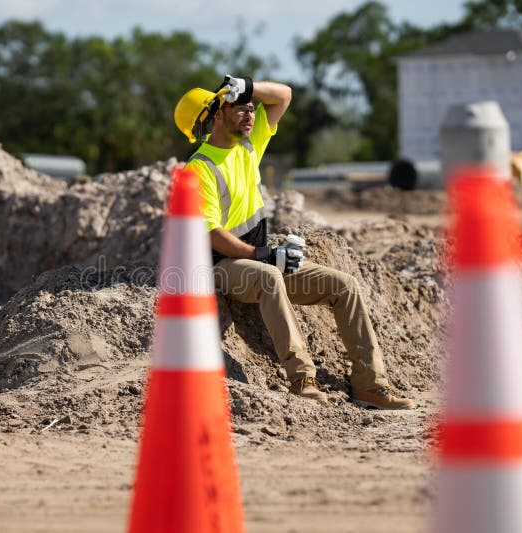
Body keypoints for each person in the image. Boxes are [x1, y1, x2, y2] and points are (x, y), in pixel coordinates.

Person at [173, 76, 413, 409]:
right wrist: (265, 255)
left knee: (344, 286)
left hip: (258, 259)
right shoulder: (200, 168)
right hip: (221, 267)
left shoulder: (247, 147)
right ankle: (303, 380)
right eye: (240, 109)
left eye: (250, 109)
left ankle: (370, 385)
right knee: (269, 277)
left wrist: (248, 87)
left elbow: (283, 96)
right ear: (216, 116)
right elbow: (211, 233)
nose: (250, 114)